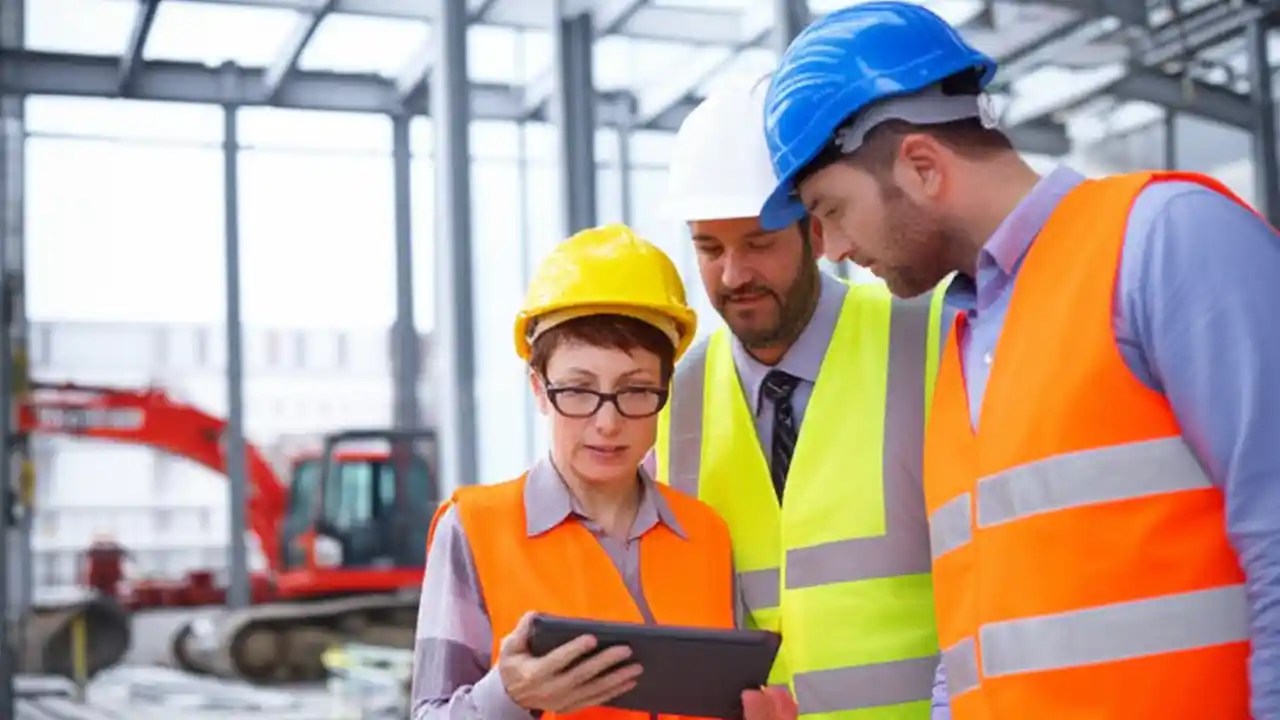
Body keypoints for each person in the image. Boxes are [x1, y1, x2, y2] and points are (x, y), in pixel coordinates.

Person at [757, 3, 1280, 719]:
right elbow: (976, 646)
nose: (834, 249)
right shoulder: (965, 344)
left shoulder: (1164, 241)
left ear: (921, 166)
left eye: (834, 209)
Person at [652, 74, 952, 720]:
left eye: (758, 244)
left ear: (815, 233)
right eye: (710, 249)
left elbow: (992, 577)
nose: (734, 275)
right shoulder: (673, 396)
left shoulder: (925, 336)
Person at [409, 224, 798, 720]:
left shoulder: (705, 535)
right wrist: (510, 697)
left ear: (664, 391)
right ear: (538, 389)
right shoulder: (474, 529)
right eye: (577, 390)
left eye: (636, 390)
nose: (607, 423)